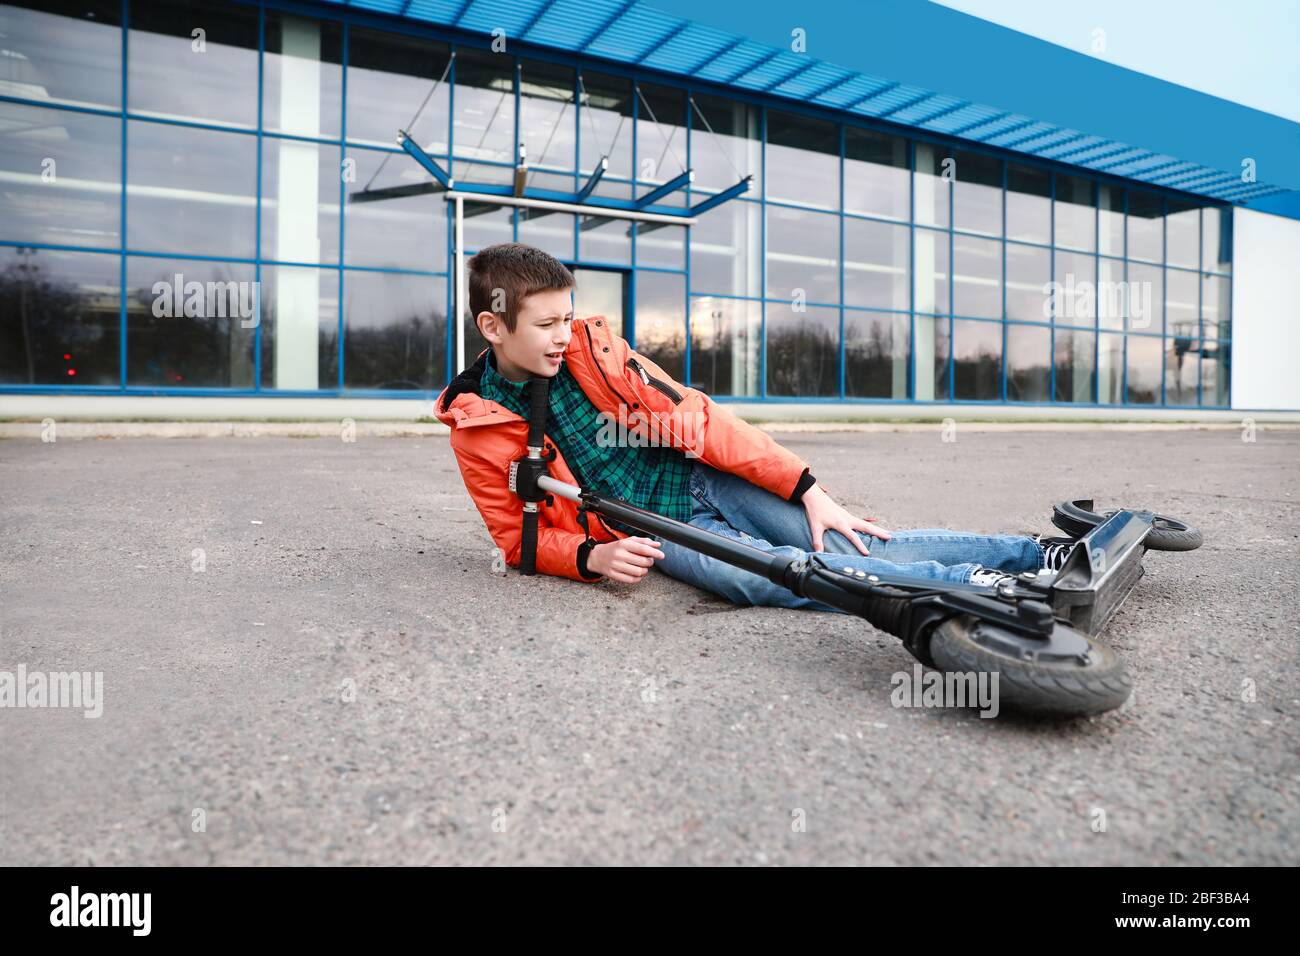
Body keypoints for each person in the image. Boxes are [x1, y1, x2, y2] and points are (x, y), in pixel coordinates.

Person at [434, 243, 1075, 612]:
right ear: (493, 327)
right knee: (772, 577)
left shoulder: (596, 352)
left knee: (847, 544)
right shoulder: (477, 425)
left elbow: (699, 418)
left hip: (700, 478)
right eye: (545, 324)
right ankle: (978, 588)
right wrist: (588, 556)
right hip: (651, 526)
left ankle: (1036, 556)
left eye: (566, 317)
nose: (561, 334)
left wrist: (805, 486)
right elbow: (515, 539)